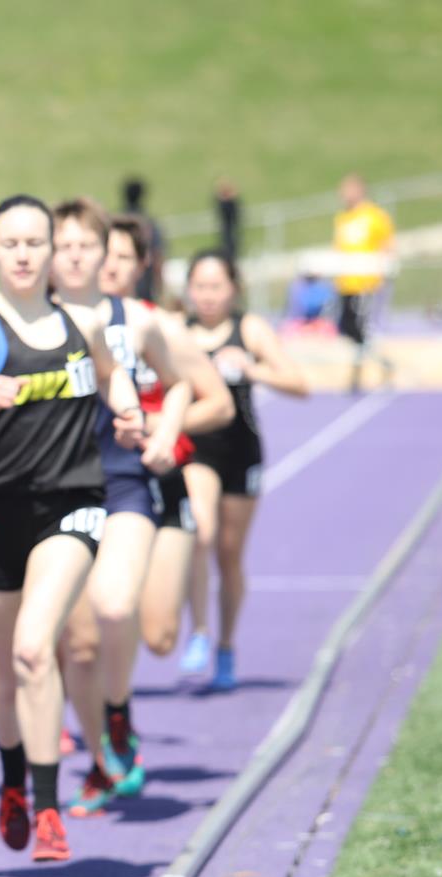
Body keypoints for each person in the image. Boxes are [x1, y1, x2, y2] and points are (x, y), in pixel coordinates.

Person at [0, 196, 144, 863]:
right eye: (11, 243)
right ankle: (15, 780)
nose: (24, 254)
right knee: (4, 674)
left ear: (53, 252)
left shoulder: (84, 323)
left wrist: (133, 413)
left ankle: (49, 807)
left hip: (71, 508)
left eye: (35, 242)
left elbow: (116, 383)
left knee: (32, 650)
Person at [48, 199, 233, 816]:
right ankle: (104, 756)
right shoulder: (28, 322)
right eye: (63, 244)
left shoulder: (143, 322)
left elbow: (201, 393)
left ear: (110, 253)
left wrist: (157, 428)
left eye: (88, 245)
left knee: (128, 614)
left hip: (132, 482)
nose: (77, 255)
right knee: (76, 644)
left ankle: (119, 710)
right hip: (58, 491)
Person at [99, 218, 233, 682]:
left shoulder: (160, 325)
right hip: (94, 483)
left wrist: (158, 424)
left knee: (159, 636)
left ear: (142, 265)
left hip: (160, 478)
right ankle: (105, 711)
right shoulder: (66, 323)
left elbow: (219, 403)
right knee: (87, 624)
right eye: (104, 253)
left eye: (123, 257)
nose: (110, 265)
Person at [174, 251, 309, 692]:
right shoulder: (179, 333)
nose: (208, 296)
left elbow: (299, 384)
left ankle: (226, 646)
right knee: (201, 531)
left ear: (233, 289)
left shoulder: (249, 329)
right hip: (197, 450)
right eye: (200, 287)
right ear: (188, 291)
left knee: (229, 555)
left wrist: (251, 367)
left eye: (217, 287)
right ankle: (197, 631)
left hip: (242, 453)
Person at [332, 173, 396, 392]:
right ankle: (374, 365)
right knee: (350, 331)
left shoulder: (375, 216)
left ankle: (368, 370)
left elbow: (387, 246)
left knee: (365, 330)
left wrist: (381, 276)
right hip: (346, 283)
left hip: (367, 284)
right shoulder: (342, 218)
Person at [120, 177, 165, 302]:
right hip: (145, 288)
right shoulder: (149, 223)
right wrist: (160, 287)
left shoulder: (117, 222)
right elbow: (158, 257)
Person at [215, 178, 242, 261]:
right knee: (228, 247)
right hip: (227, 230)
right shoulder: (224, 204)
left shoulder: (229, 203)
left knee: (232, 248)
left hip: (231, 229)